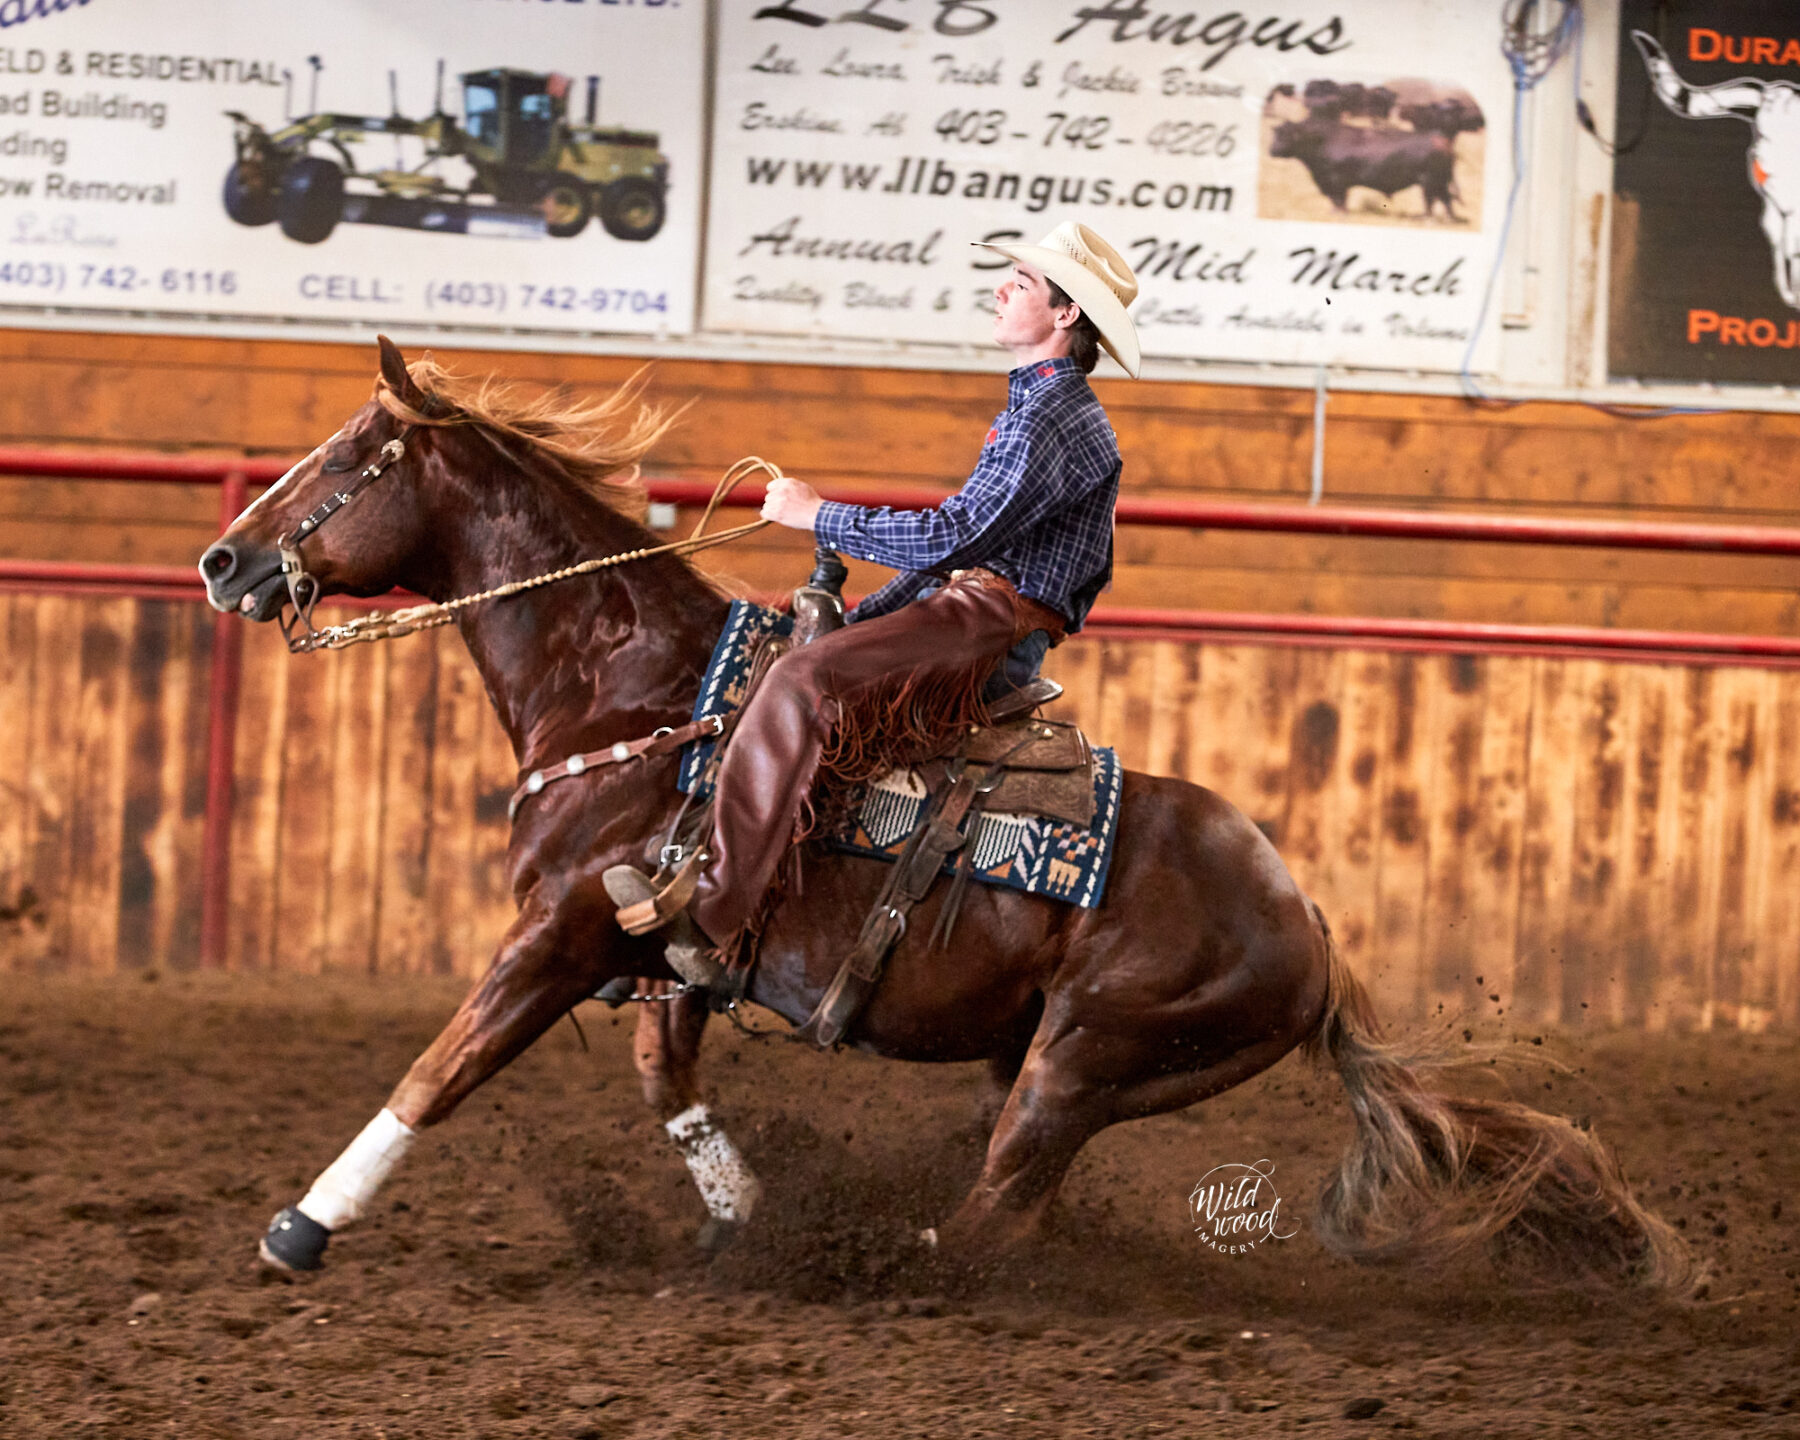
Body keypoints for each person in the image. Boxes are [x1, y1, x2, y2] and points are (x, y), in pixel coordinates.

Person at [607, 221, 1142, 983]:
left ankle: (712, 916)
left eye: (1021, 283)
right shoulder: (1041, 409)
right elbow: (959, 552)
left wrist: (816, 516)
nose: (1000, 289)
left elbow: (956, 537)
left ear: (1064, 316)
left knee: (800, 683)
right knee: (794, 658)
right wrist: (864, 614)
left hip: (986, 623)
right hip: (972, 609)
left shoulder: (1053, 416)